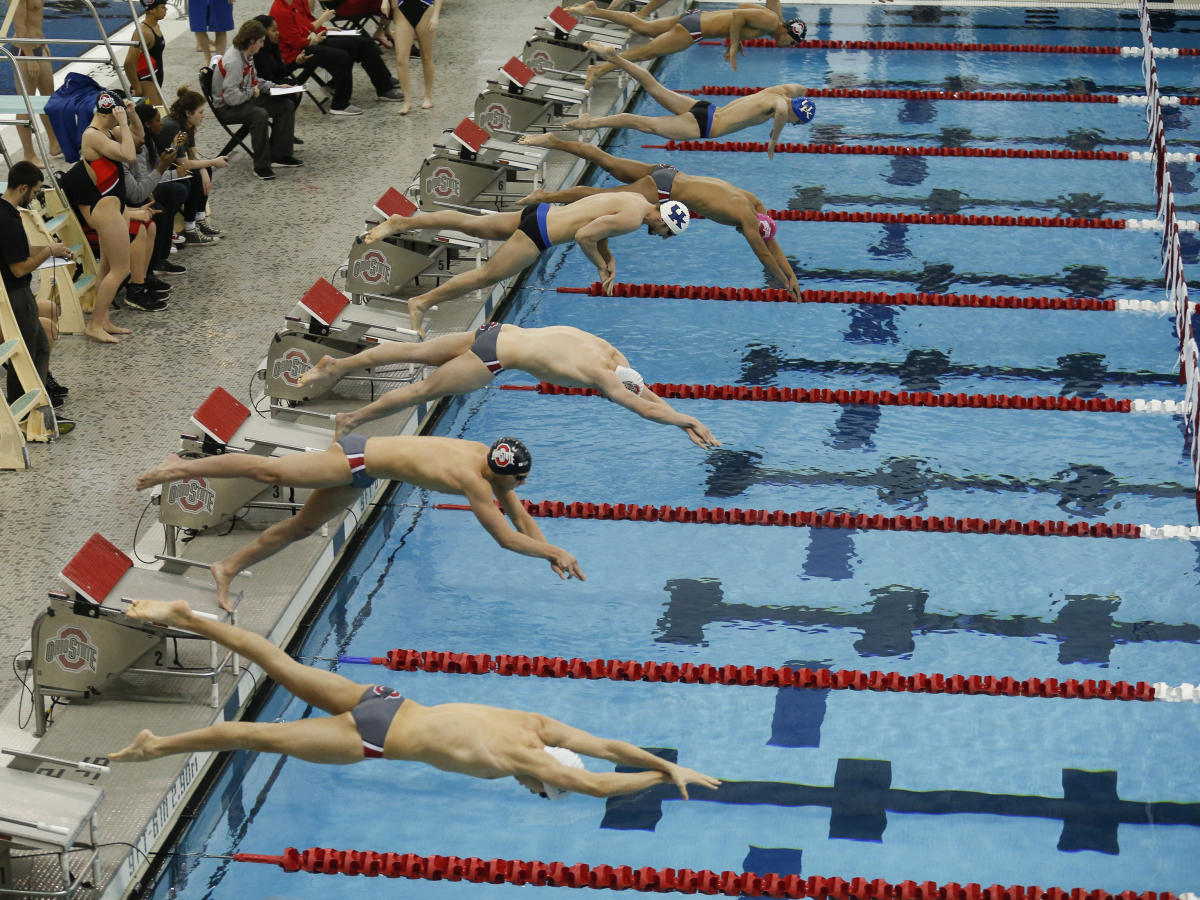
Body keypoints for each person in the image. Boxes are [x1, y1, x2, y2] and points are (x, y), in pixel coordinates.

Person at [111, 598, 721, 801]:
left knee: (279, 661)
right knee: (254, 736)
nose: (532, 790)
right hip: (373, 739)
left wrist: (664, 760)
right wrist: (665, 779)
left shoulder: (537, 727)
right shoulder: (528, 762)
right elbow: (599, 785)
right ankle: (155, 746)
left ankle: (185, 616)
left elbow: (607, 748)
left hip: (391, 701)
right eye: (541, 790)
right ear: (545, 779)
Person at [136, 435, 584, 610]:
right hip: (356, 458)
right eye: (519, 480)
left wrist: (550, 553)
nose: (520, 487)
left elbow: (521, 517)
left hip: (367, 470)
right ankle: (179, 467)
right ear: (503, 471)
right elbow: (506, 538)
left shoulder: (487, 461)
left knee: (301, 528)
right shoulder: (474, 479)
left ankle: (226, 568)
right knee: (268, 472)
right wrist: (554, 551)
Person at [300, 324, 722, 449]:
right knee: (419, 392)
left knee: (415, 351)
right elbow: (644, 406)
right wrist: (687, 419)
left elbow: (645, 395)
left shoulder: (611, 354)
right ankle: (349, 419)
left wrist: (680, 418)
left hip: (496, 330)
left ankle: (335, 365)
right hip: (493, 358)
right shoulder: (603, 377)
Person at [517, 133, 801, 302]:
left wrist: (792, 276)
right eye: (746, 232)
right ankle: (544, 197)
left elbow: (772, 244)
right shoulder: (747, 220)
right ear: (751, 226)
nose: (744, 233)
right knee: (596, 195)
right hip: (662, 190)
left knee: (608, 161)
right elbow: (764, 254)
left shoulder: (754, 204)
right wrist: (783, 283)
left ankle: (553, 141)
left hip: (669, 173)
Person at [364, 192, 691, 336]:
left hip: (542, 214)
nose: (660, 237)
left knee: (471, 223)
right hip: (540, 234)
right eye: (666, 233)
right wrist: (599, 266)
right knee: (484, 277)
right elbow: (584, 236)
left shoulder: (636, 202)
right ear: (664, 221)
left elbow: (599, 223)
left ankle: (401, 223)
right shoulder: (634, 221)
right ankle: (421, 303)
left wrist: (610, 257)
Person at [563, 42, 815, 159]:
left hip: (705, 108)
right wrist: (773, 140)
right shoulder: (780, 105)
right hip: (704, 126)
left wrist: (806, 96)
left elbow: (799, 89)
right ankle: (591, 122)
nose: (793, 124)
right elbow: (782, 113)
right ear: (795, 113)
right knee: (643, 124)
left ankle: (616, 59)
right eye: (797, 122)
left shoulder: (782, 90)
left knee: (653, 85)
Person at [59, 91, 156, 340]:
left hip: (117, 209)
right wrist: (122, 122)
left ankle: (103, 321)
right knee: (120, 269)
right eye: (117, 114)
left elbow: (137, 139)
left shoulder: (104, 133)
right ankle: (93, 325)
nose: (119, 120)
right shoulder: (92, 136)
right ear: (109, 113)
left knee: (108, 268)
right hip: (105, 211)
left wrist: (132, 115)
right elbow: (130, 156)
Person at [569, 0, 805, 87]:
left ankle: (595, 10)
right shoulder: (770, 20)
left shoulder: (772, 21)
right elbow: (737, 16)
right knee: (644, 54)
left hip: (696, 16)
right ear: (787, 34)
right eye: (791, 43)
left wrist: (739, 39)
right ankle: (598, 69)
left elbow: (741, 11)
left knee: (645, 27)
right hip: (696, 29)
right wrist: (733, 44)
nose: (787, 47)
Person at [0, 161, 74, 430]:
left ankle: (38, 405)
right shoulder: (6, 220)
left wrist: (51, 247)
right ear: (23, 187)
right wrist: (48, 253)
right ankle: (23, 412)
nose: (35, 198)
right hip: (15, 295)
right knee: (27, 356)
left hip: (18, 294)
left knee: (40, 348)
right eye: (34, 191)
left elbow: (20, 249)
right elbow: (19, 269)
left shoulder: (7, 211)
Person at [271, 0, 405, 115]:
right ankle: (339, 104)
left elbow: (308, 24)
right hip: (296, 54)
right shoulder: (280, 10)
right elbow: (296, 43)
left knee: (360, 43)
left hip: (309, 40)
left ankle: (384, 87)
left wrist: (323, 29)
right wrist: (317, 31)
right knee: (342, 57)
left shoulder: (298, 2)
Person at [211, 20, 301, 181]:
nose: (262, 45)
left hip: (242, 100)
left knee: (286, 105)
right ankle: (261, 165)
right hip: (227, 108)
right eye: (261, 41)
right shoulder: (234, 61)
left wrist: (276, 87)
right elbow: (230, 97)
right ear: (252, 41)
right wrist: (253, 92)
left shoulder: (247, 54)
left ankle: (280, 155)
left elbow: (254, 80)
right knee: (259, 114)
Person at [126, 106, 189, 290]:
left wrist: (174, 148)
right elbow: (142, 187)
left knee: (182, 186)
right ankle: (150, 268)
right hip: (138, 195)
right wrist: (171, 172)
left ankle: (190, 226)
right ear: (145, 124)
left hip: (147, 189)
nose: (161, 124)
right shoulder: (139, 148)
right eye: (157, 120)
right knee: (165, 203)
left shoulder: (149, 141)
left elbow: (154, 169)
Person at [160, 87, 230, 249]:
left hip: (172, 165)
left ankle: (199, 220)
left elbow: (193, 155)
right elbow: (185, 163)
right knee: (195, 173)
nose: (203, 115)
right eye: (200, 112)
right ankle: (190, 229)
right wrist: (212, 162)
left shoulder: (186, 125)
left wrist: (206, 170)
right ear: (188, 113)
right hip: (160, 171)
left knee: (203, 170)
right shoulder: (173, 127)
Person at [11, 0, 63, 167]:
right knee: (26, 103)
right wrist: (30, 57)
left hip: (39, 45)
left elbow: (35, 19)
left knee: (49, 97)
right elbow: (19, 27)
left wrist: (43, 42)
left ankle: (54, 143)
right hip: (25, 51)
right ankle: (29, 154)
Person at [386, 0, 441, 114]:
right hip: (401, 8)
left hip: (425, 7)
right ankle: (407, 101)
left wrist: (436, 15)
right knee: (401, 59)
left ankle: (427, 96)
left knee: (426, 56)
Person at [124, 0, 170, 108]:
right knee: (155, 117)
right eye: (163, 7)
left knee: (155, 117)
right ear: (152, 10)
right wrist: (137, 87)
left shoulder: (155, 26)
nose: (166, 9)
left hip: (155, 78)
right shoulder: (144, 33)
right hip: (147, 83)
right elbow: (129, 63)